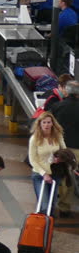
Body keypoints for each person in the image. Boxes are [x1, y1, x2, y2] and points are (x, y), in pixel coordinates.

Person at [29, 112, 66, 213]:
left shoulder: (57, 136)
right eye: (44, 122)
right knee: (44, 204)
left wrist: (60, 158)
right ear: (39, 124)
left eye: (49, 122)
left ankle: (49, 226)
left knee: (52, 205)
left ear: (52, 123)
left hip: (55, 173)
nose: (46, 125)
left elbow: (64, 150)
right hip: (39, 174)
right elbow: (32, 160)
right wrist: (44, 174)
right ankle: (41, 226)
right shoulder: (34, 139)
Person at [52, 80, 79, 216]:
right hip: (76, 149)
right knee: (71, 176)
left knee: (63, 177)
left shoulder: (57, 106)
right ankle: (65, 206)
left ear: (67, 92)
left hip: (61, 148)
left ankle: (60, 205)